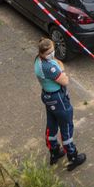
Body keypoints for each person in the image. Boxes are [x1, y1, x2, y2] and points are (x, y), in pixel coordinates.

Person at [35, 37, 86, 170]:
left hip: (47, 96)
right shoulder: (49, 66)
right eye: (49, 53)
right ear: (42, 53)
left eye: (52, 50)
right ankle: (72, 156)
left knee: (51, 125)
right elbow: (65, 81)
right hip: (58, 99)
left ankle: (54, 151)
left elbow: (54, 62)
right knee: (67, 127)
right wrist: (62, 69)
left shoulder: (38, 61)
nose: (52, 54)